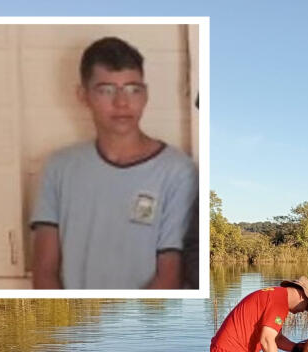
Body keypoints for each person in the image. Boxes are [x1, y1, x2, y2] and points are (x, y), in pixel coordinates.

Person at [30, 37, 198, 289]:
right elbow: (44, 271)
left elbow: (169, 275)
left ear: (146, 94)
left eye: (132, 89)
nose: (121, 102)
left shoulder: (177, 170)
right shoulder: (59, 167)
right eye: (106, 90)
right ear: (83, 95)